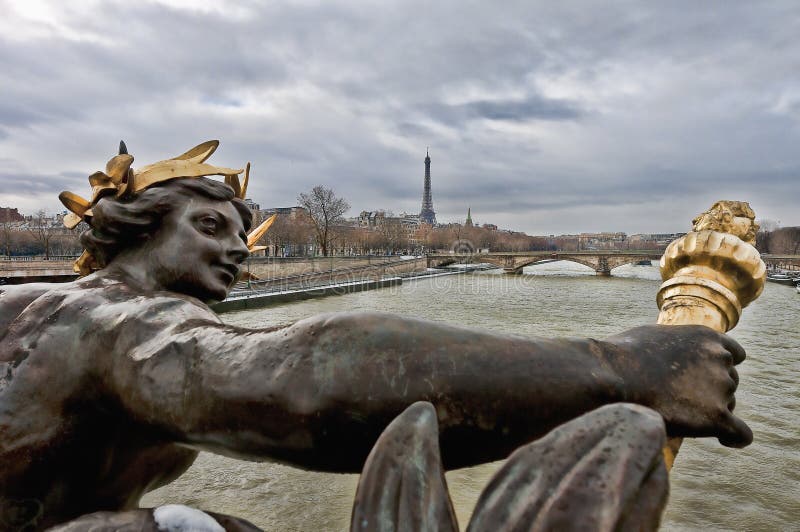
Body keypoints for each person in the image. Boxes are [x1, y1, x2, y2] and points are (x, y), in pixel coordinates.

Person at [0, 142, 751, 531]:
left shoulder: (43, 307)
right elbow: (298, 378)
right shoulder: (112, 320)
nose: (237, 250)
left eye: (242, 235)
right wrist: (621, 365)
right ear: (138, 227)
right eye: (209, 226)